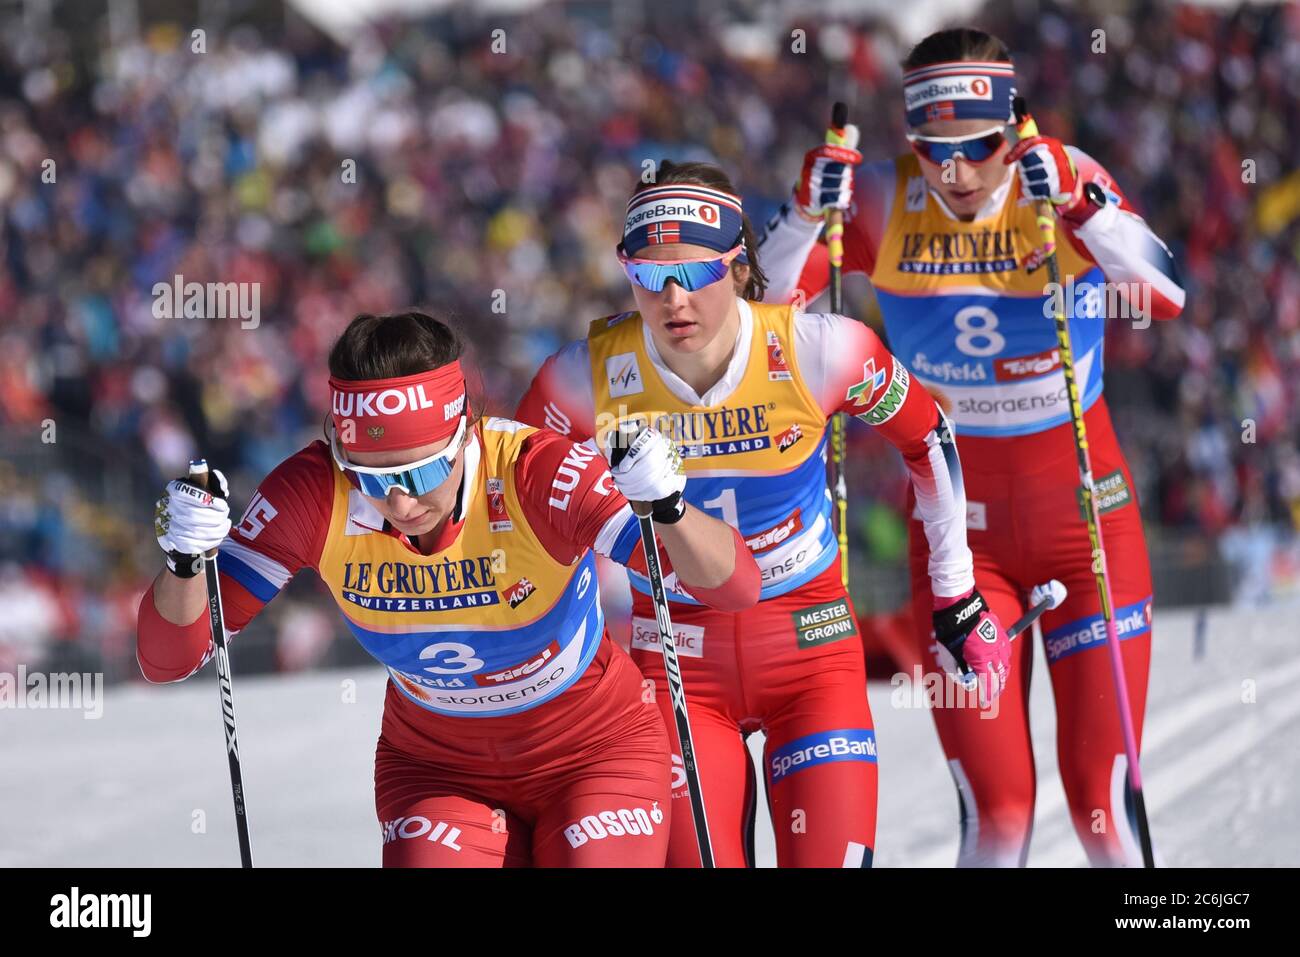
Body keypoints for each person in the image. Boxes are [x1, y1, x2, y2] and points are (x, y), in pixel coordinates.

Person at [757, 27, 1186, 866]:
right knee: (996, 812)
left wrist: (1078, 205)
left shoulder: (1055, 176)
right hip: (960, 543)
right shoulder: (881, 199)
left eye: (976, 147)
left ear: (1010, 126)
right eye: (932, 149)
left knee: (1101, 800)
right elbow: (767, 316)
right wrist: (802, 215)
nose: (953, 171)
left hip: (1085, 518)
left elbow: (1163, 294)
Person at [138, 311, 760, 868]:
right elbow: (172, 658)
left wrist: (670, 508)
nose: (400, 501)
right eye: (371, 477)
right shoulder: (311, 494)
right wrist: (187, 565)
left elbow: (733, 588)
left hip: (593, 752)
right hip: (437, 767)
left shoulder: (534, 472)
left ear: (467, 433)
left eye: (424, 470)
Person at [516, 162, 1006, 867]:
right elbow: (523, 508)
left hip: (810, 650)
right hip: (676, 660)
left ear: (740, 268)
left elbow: (929, 438)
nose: (674, 299)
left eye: (697, 274)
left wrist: (956, 594)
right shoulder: (584, 375)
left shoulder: (819, 349)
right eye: (650, 277)